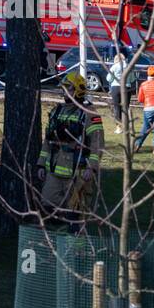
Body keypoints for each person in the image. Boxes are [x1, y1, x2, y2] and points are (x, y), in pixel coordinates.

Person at [38, 71, 104, 220]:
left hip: (77, 173)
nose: (64, 91)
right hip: (53, 171)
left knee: (75, 213)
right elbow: (48, 141)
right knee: (48, 208)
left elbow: (97, 143)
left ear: (78, 90)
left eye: (68, 87)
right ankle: (53, 234)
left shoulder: (89, 114)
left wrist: (91, 167)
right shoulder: (56, 112)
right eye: (64, 88)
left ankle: (75, 235)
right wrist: (41, 164)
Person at [135, 65, 154, 153]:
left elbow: (140, 99)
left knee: (145, 128)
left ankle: (137, 146)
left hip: (148, 108)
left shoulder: (143, 84)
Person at [106, 51, 133, 134]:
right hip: (127, 87)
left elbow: (109, 78)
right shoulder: (129, 66)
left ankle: (119, 127)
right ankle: (126, 126)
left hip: (116, 88)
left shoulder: (114, 66)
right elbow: (132, 79)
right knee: (125, 108)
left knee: (117, 108)